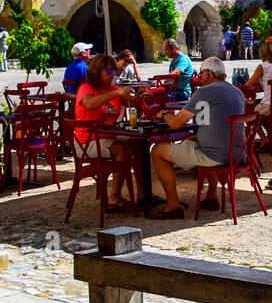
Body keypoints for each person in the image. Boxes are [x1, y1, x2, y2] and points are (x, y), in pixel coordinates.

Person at [149, 57, 245, 217]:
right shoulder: (237, 92)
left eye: (200, 75)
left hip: (215, 155)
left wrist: (164, 114)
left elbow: (175, 124)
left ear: (207, 74)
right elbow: (209, 126)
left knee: (157, 151)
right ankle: (211, 196)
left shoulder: (204, 92)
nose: (199, 78)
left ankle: (173, 205)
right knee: (197, 142)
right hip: (238, 154)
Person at [72, 54, 137, 209]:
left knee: (138, 146)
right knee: (124, 149)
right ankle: (114, 196)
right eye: (108, 71)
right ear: (97, 70)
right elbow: (89, 103)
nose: (112, 74)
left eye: (113, 71)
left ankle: (142, 194)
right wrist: (116, 93)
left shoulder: (112, 89)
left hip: (106, 137)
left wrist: (142, 94)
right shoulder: (86, 88)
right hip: (86, 143)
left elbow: (134, 102)